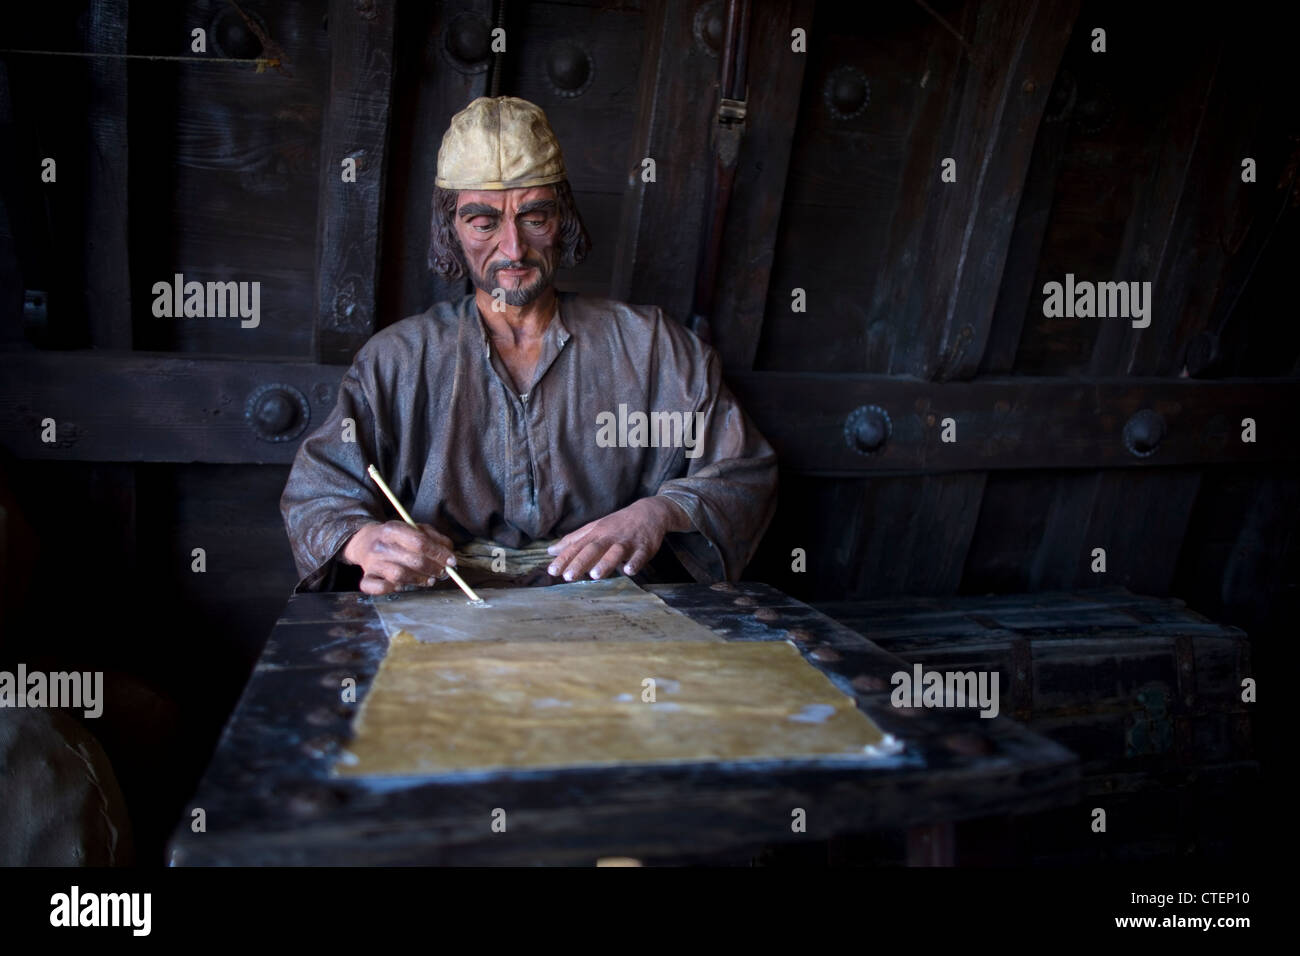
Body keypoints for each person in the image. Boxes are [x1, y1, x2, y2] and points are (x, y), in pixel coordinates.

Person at [281, 96, 776, 596]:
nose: (513, 249)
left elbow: (744, 470)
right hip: (444, 603)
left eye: (534, 218)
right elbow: (316, 495)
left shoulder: (652, 346)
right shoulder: (396, 360)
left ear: (563, 220)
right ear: (450, 229)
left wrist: (661, 512)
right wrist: (365, 540)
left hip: (607, 606)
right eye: (484, 222)